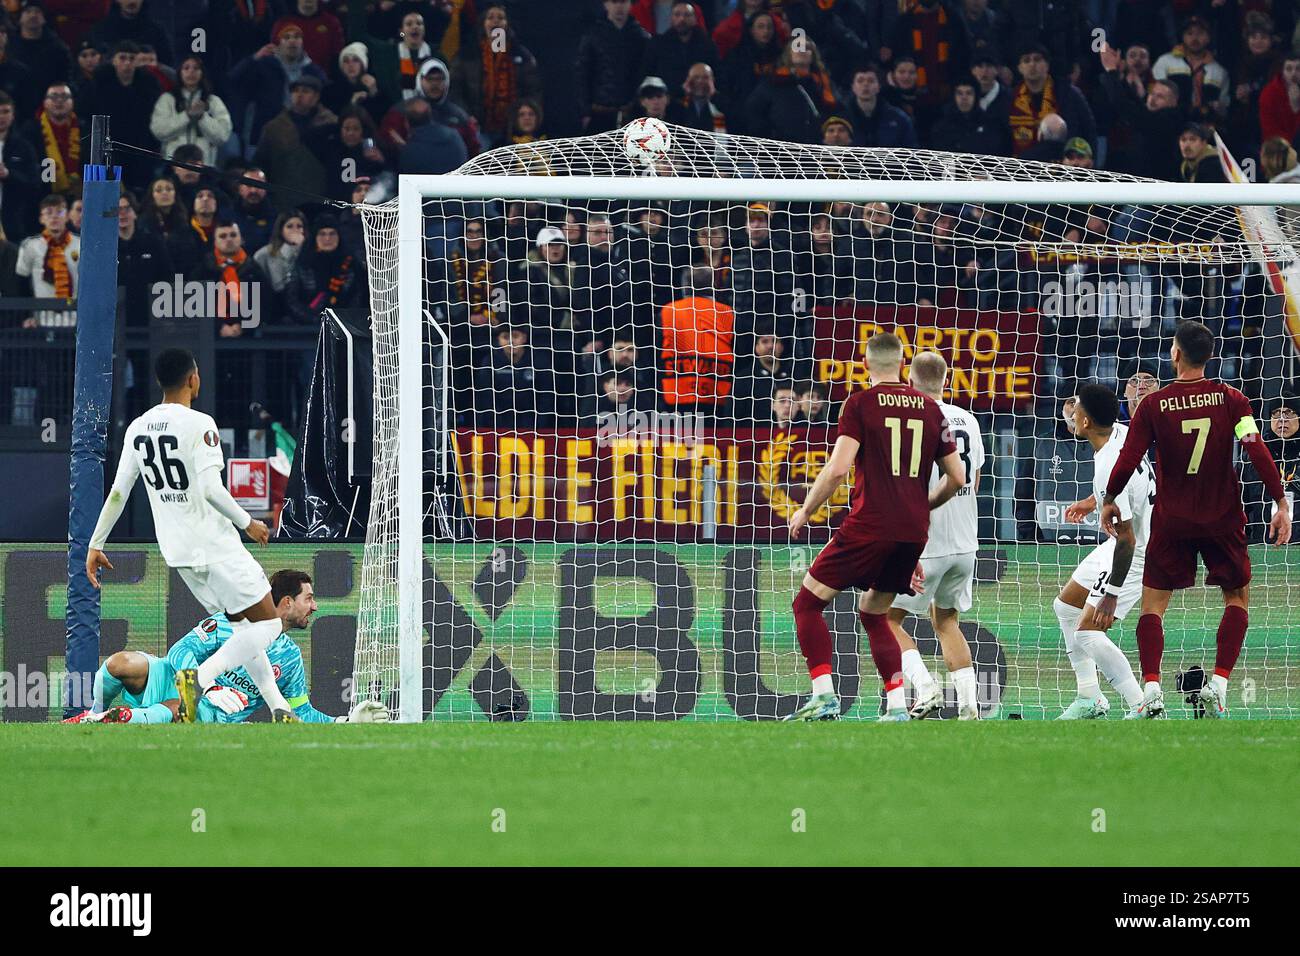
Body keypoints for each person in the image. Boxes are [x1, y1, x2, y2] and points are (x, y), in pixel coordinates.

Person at [85, 348, 300, 723]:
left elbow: (119, 492)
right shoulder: (200, 424)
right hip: (215, 546)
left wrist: (95, 543)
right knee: (267, 625)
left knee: (243, 630)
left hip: (179, 553)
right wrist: (248, 522)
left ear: (159, 382)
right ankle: (200, 679)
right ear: (193, 379)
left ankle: (279, 707)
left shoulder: (138, 428)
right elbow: (212, 490)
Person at [1101, 321, 1292, 719]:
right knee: (1237, 598)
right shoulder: (1233, 400)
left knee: (1153, 606)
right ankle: (1219, 685)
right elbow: (1256, 449)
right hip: (1223, 518)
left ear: (1175, 354)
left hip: (1172, 522)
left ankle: (1151, 690)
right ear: (1208, 356)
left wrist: (1109, 497)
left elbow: (1129, 457)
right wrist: (1280, 502)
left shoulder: (1154, 405)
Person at [784, 332, 965, 722]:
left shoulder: (861, 404)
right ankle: (898, 706)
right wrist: (921, 505)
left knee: (807, 603)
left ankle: (824, 695)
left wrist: (804, 511)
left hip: (869, 524)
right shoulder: (931, 409)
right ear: (903, 366)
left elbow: (836, 470)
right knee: (873, 612)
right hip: (913, 532)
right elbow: (957, 477)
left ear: (866, 365)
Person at [66, 570, 388, 724]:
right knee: (121, 663)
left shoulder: (289, 659)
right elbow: (180, 651)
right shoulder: (229, 621)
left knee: (179, 712)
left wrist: (344, 723)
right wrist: (200, 687)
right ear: (287, 603)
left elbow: (300, 711)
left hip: (210, 712)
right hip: (173, 678)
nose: (315, 606)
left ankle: (116, 719)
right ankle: (93, 714)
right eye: (309, 598)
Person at [886, 352, 984, 720]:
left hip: (926, 544)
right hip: (966, 541)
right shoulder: (969, 420)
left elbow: (907, 486)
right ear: (947, 380)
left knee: (884, 618)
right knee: (946, 622)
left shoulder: (912, 420)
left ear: (909, 382)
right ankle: (971, 708)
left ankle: (925, 688)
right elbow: (973, 479)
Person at [1055, 384, 1153, 719]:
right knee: (1066, 605)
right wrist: (1091, 502)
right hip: (1128, 539)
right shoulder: (1123, 432)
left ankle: (1142, 703)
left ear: (1084, 423)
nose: (1073, 412)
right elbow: (1121, 493)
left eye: (1077, 409)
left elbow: (1127, 541)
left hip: (1137, 550)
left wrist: (1111, 593)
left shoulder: (1107, 466)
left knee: (1088, 630)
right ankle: (1089, 697)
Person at [576, 0, 651, 133]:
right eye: (614, 2)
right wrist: (585, 111)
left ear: (630, 4)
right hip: (599, 111)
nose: (619, 7)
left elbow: (644, 74)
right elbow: (583, 74)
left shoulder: (641, 37)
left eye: (623, 2)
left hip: (632, 113)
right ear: (606, 4)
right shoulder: (592, 35)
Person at [149, 55, 233, 165]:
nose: (191, 72)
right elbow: (159, 131)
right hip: (173, 164)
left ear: (202, 72)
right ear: (180, 72)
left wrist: (202, 117)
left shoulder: (214, 101)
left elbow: (222, 136)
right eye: (186, 68)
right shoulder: (167, 99)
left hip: (204, 166)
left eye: (196, 68)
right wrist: (186, 116)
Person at [16, 193, 79, 328]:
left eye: (59, 212)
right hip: (42, 320)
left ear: (67, 216)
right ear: (41, 219)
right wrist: (27, 316)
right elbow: (21, 284)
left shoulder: (81, 245)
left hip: (76, 320)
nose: (54, 216)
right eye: (48, 212)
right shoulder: (30, 246)